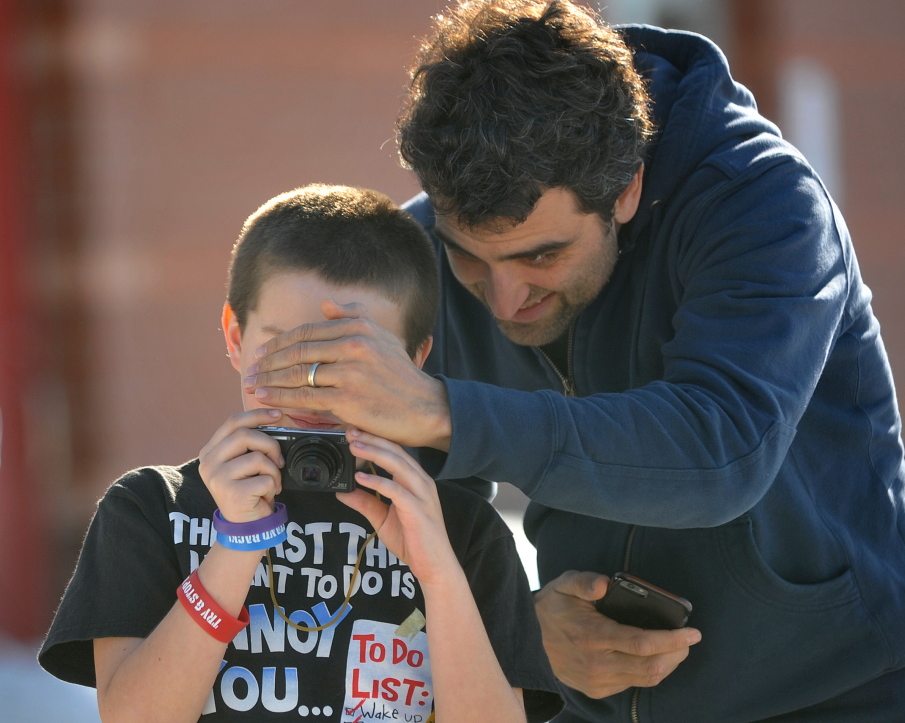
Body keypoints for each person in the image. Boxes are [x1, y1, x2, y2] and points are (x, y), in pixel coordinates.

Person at [237, 0, 905, 723]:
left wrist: (441, 410)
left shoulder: (764, 201)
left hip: (839, 692)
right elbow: (394, 524)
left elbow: (719, 449)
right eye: (469, 259)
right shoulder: (420, 252)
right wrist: (515, 621)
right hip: (589, 704)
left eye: (541, 254)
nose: (504, 298)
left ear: (627, 187)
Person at [38, 184, 563, 723]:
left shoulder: (461, 530)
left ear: (413, 359)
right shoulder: (150, 508)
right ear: (235, 336)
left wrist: (440, 576)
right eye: (284, 346)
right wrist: (235, 548)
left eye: (348, 354)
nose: (310, 381)